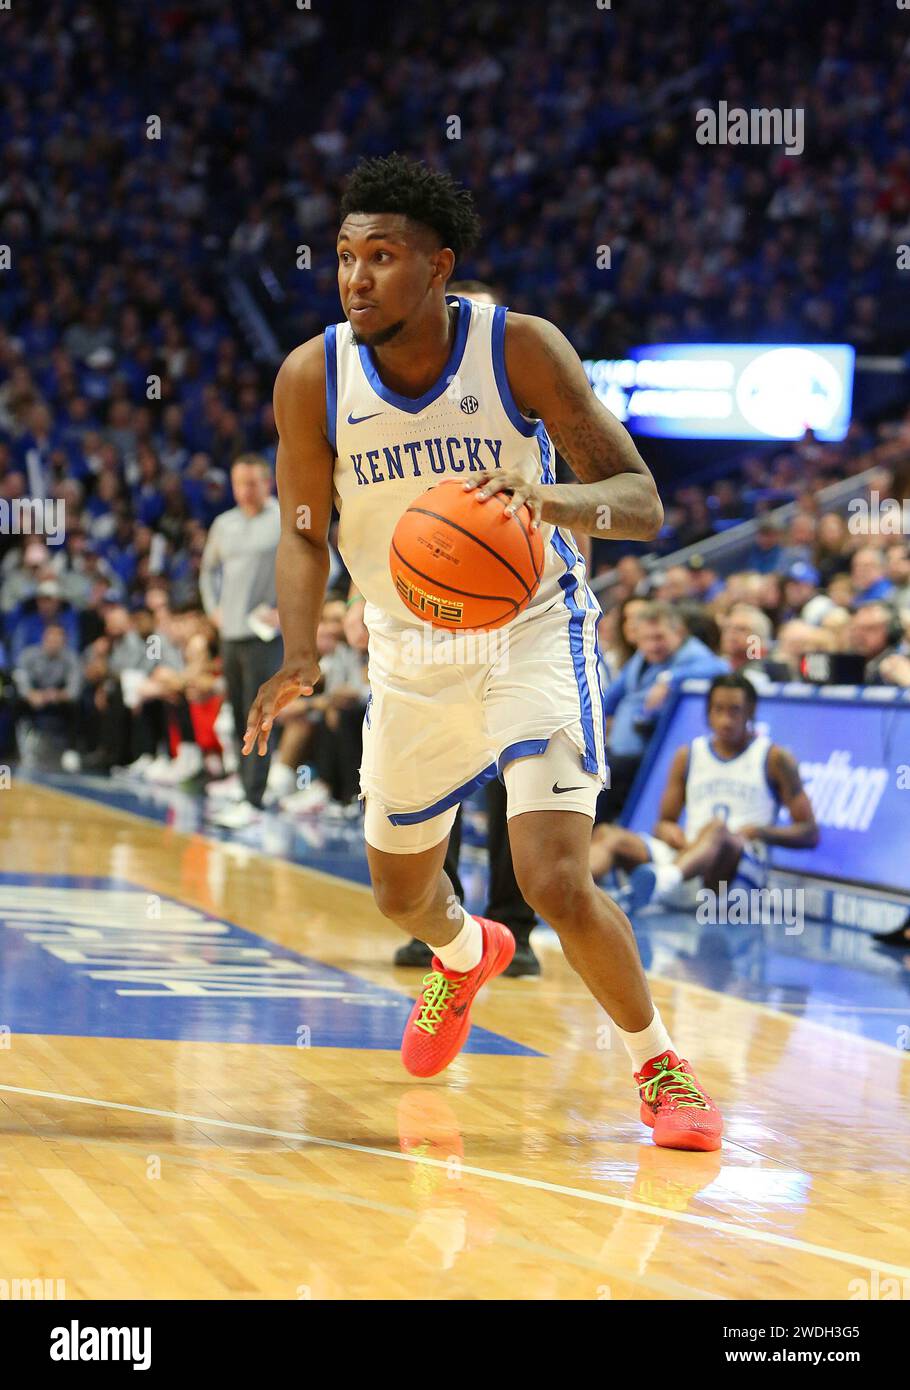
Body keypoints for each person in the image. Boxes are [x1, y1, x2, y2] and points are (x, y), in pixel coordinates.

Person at [244, 154, 723, 1151]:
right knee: (396, 894)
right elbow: (300, 530)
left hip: (528, 632)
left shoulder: (520, 351)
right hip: (407, 647)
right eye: (343, 257)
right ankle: (465, 953)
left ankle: (659, 1066)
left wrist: (550, 500)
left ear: (438, 266)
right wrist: (297, 650)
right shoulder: (311, 376)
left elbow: (639, 501)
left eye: (381, 256)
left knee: (554, 874)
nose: (356, 277)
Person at [590, 674, 819, 910]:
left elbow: (810, 833)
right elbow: (664, 823)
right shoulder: (688, 755)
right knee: (609, 834)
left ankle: (662, 880)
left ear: (750, 712)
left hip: (733, 876)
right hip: (689, 857)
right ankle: (572, 896)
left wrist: (758, 831)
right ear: (708, 712)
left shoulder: (775, 758)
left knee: (718, 829)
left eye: (735, 711)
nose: (725, 720)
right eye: (718, 710)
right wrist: (670, 832)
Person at [199, 452, 282, 824]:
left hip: (265, 636)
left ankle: (255, 800)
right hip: (230, 634)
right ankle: (243, 786)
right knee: (235, 714)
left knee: (260, 715)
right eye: (238, 484)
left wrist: (284, 610)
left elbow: (321, 566)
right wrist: (213, 610)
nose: (245, 491)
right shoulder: (223, 524)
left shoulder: (284, 518)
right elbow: (207, 572)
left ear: (268, 483)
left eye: (252, 483)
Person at [596, 602, 729, 822]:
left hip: (650, 757)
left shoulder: (691, 655)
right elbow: (610, 698)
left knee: (605, 790)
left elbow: (720, 668)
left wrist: (669, 679)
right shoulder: (641, 658)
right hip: (619, 755)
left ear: (678, 632)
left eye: (659, 637)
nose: (652, 646)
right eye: (646, 639)